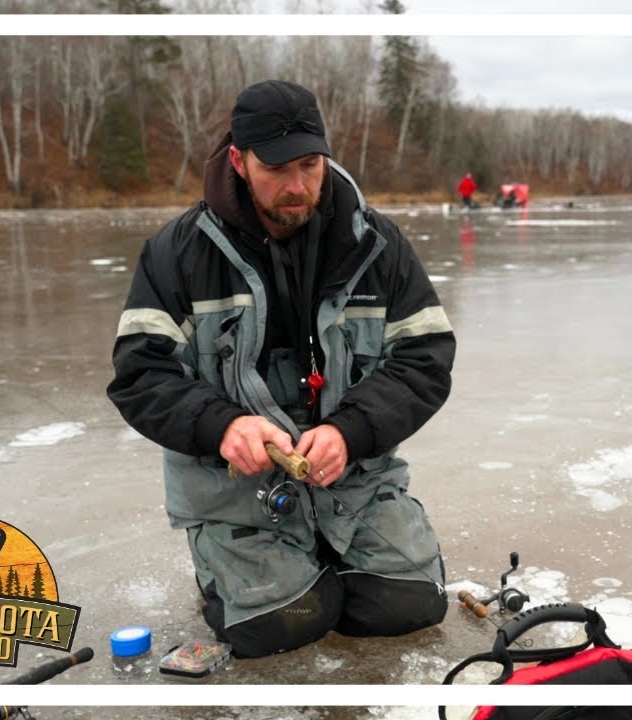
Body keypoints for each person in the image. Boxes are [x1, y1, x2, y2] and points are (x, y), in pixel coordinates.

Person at [107, 79, 455, 658]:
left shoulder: (377, 244)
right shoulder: (176, 253)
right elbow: (140, 374)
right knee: (288, 622)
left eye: (310, 165)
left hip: (354, 482)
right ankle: (238, 566)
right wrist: (223, 427)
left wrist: (352, 431)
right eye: (277, 169)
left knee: (409, 606)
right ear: (240, 161)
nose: (298, 187)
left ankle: (324, 553)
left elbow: (426, 356)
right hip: (237, 489)